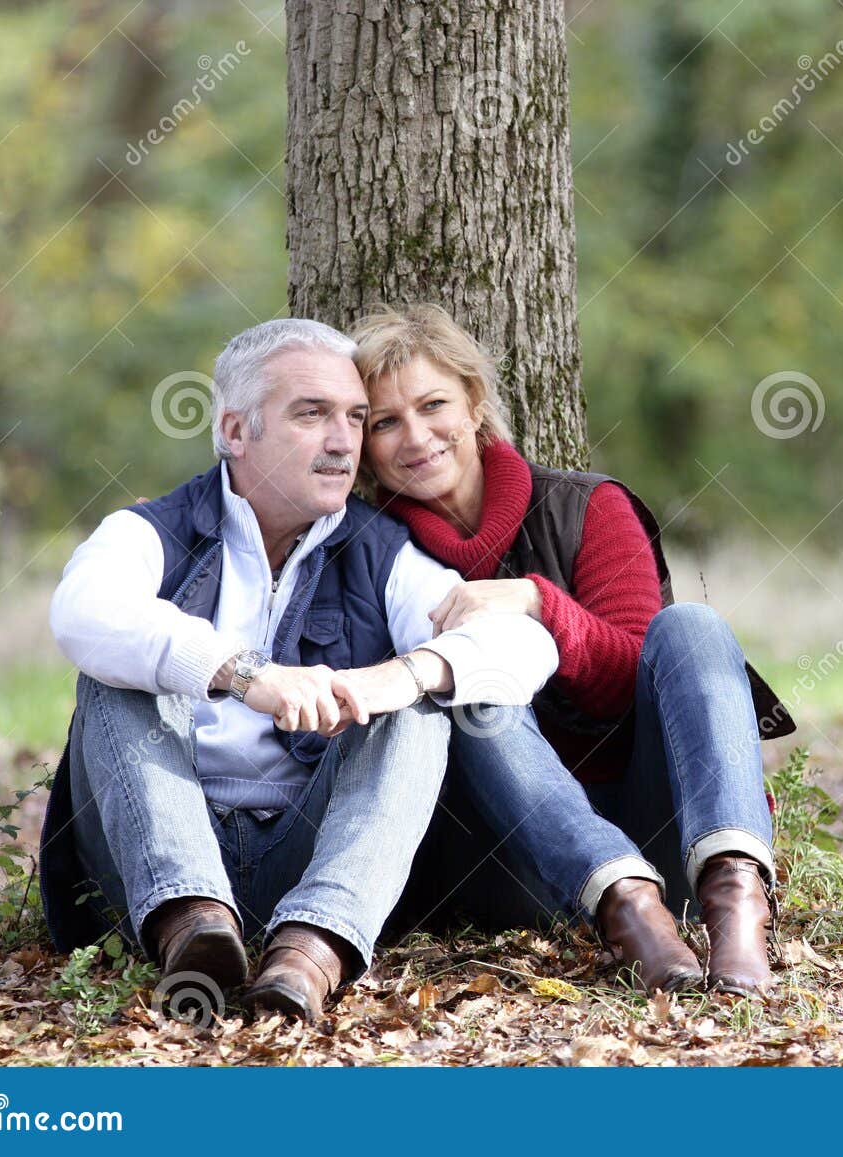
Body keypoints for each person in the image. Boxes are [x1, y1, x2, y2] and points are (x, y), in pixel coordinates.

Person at [39, 318, 558, 1024]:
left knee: (420, 701)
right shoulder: (151, 530)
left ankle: (311, 952)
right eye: (312, 414)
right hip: (148, 862)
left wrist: (401, 676)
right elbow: (83, 611)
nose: (343, 441)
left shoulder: (380, 549)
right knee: (115, 675)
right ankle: (193, 924)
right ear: (235, 430)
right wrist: (245, 673)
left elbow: (526, 647)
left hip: (309, 858)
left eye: (355, 418)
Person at [351, 304, 795, 996]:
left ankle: (737, 902)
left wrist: (536, 600)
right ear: (364, 445)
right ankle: (626, 906)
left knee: (693, 628)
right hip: (513, 859)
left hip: (661, 835)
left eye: (433, 405)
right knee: (470, 692)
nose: (416, 436)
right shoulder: (371, 551)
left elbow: (626, 683)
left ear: (474, 403)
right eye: (385, 422)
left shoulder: (587, 508)